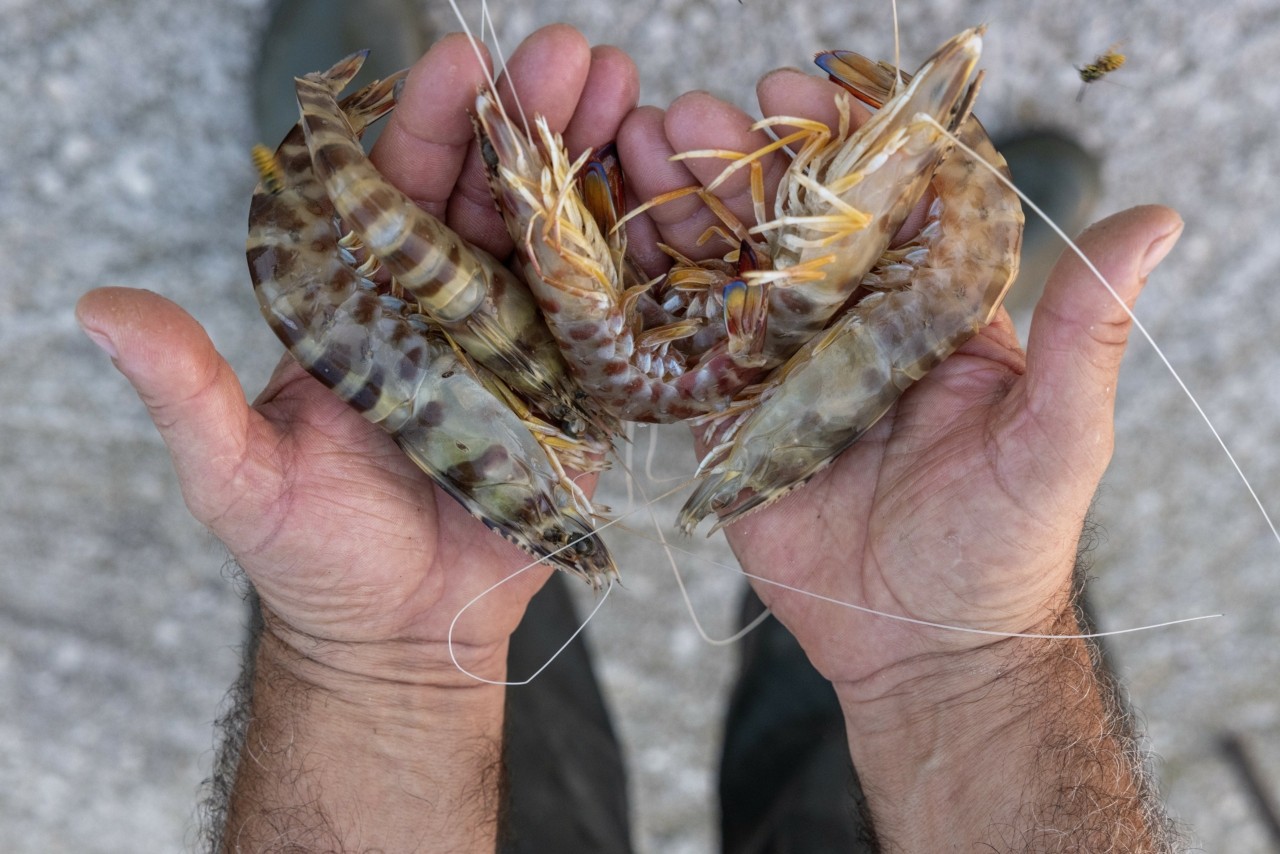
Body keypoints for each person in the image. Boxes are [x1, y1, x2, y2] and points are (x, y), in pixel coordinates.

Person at [75, 24, 1185, 853]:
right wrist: (963, 665)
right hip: (676, 382)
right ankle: (927, 311)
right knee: (855, 694)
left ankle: (346, 173)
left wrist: (375, 669)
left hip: (563, 394)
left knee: (482, 661)